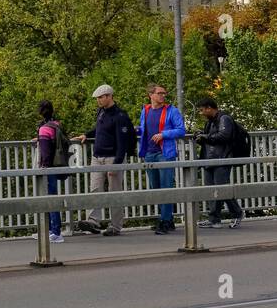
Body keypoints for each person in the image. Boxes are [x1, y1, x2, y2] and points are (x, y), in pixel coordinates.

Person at [73, 85, 135, 236]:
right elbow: (99, 129)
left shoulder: (120, 116)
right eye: (97, 98)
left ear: (109, 96)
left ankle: (116, 226)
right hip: (97, 157)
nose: (98, 101)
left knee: (114, 192)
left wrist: (116, 164)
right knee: (95, 189)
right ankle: (93, 221)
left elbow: (122, 142)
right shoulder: (101, 112)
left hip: (112, 158)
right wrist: (86, 134)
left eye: (100, 98)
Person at [137, 84, 186, 235]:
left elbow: (181, 130)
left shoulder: (172, 110)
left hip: (165, 153)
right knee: (155, 188)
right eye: (160, 93)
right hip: (150, 153)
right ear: (150, 95)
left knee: (166, 187)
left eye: (164, 93)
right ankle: (167, 219)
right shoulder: (145, 110)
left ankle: (165, 220)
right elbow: (143, 128)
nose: (163, 96)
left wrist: (164, 134)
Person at [195, 97, 244, 229]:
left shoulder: (224, 118)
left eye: (202, 110)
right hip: (209, 159)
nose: (201, 113)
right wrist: (201, 137)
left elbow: (225, 135)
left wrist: (207, 137)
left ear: (209, 108)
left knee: (222, 189)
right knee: (212, 190)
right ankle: (214, 219)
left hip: (222, 159)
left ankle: (237, 214)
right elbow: (210, 138)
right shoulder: (210, 122)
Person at [35, 100, 65, 243]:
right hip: (58, 164)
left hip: (49, 167)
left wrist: (43, 168)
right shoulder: (56, 124)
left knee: (50, 198)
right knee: (50, 197)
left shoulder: (44, 129)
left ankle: (55, 232)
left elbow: (46, 152)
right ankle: (50, 230)